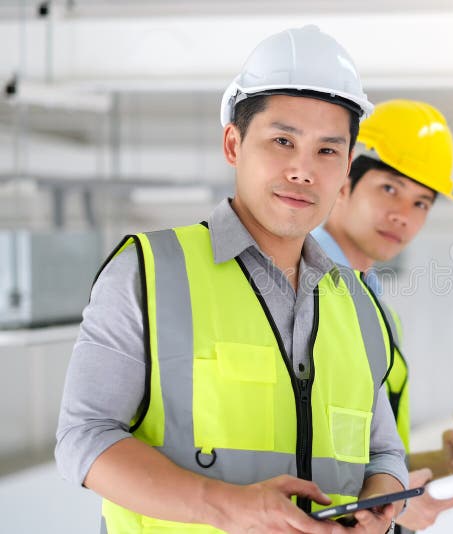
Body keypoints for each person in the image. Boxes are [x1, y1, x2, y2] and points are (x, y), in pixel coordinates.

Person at [55, 26, 408, 534]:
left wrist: (379, 505)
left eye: (327, 151)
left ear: (347, 166)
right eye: (282, 141)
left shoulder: (361, 308)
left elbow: (384, 454)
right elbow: (84, 437)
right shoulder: (150, 271)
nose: (303, 171)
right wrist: (228, 506)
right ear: (233, 143)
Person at [312, 99, 453, 532]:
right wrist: (396, 506)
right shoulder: (297, 287)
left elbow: (356, 451)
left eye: (421, 203)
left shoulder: (377, 310)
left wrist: (441, 462)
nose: (402, 216)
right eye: (390, 189)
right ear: (344, 182)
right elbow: (289, 446)